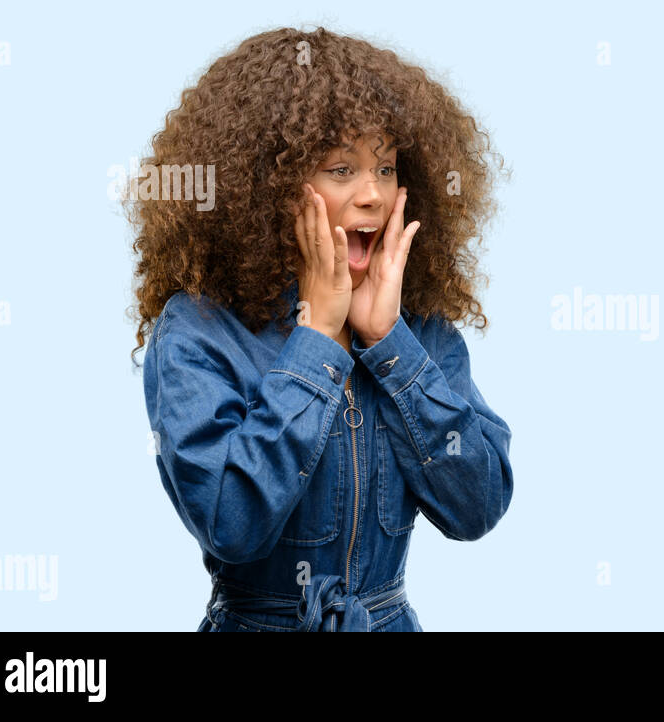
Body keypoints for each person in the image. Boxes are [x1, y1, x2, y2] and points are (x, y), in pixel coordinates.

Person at [125, 26, 514, 631]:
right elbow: (231, 520)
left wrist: (390, 345)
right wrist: (317, 339)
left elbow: (479, 504)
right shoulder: (199, 330)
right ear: (269, 186)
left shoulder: (417, 328)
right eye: (341, 169)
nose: (374, 196)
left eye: (385, 168)